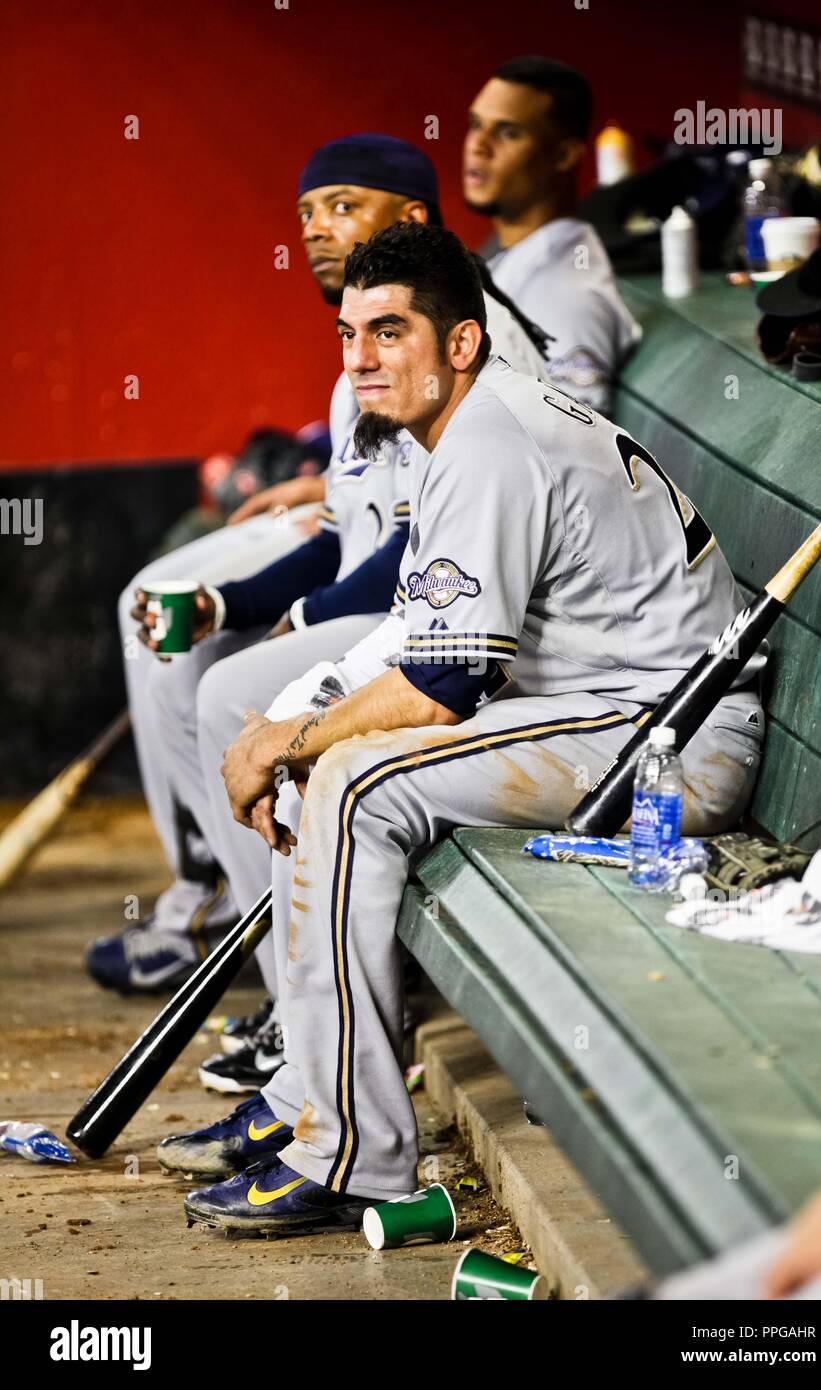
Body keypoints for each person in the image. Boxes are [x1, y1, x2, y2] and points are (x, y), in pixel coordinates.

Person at [156, 222, 765, 1235]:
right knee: (328, 763)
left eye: (390, 332)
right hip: (606, 708)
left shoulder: (489, 438)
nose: (359, 359)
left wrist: (285, 741)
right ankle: (313, 1099)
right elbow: (432, 642)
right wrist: (299, 725)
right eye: (348, 334)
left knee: (349, 783)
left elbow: (443, 683)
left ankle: (352, 1152)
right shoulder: (470, 427)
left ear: (461, 344)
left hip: (668, 739)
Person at [89, 137, 549, 1039]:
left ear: (413, 219)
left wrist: (296, 619)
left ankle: (310, 1000)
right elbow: (350, 534)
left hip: (468, 621)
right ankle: (252, 930)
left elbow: (428, 551)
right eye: (305, 213)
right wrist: (229, 607)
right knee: (196, 648)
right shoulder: (370, 348)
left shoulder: (466, 345)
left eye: (342, 205)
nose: (314, 230)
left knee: (230, 693)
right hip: (410, 603)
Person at [465, 54, 640, 413]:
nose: (478, 146)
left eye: (507, 132)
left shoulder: (569, 296)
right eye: (475, 124)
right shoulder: (515, 255)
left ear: (564, 156)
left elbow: (568, 450)